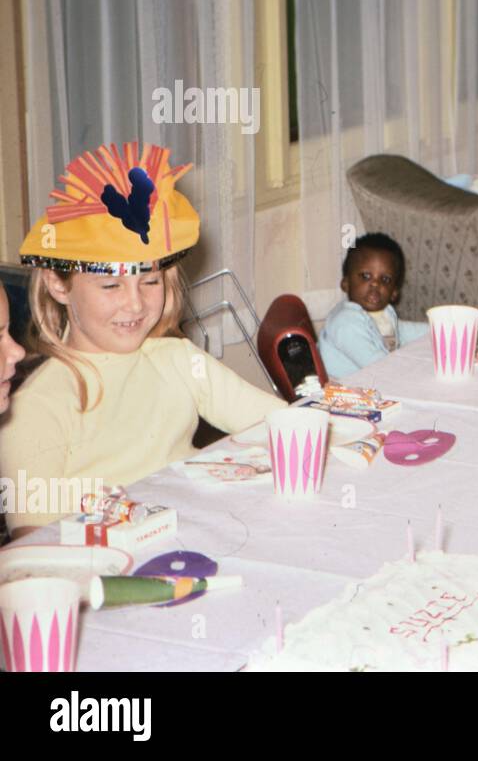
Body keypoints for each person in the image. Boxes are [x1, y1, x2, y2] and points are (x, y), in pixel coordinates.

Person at [0, 143, 285, 537]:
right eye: (111, 284)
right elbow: (34, 548)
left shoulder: (180, 361)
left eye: (149, 281)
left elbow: (281, 425)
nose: (135, 303)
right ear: (57, 283)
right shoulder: (37, 408)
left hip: (204, 536)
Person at [318, 232, 429, 378]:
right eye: (365, 276)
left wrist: (439, 329)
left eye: (385, 279)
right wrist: (415, 370)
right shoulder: (345, 323)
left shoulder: (383, 313)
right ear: (346, 283)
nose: (375, 284)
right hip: (343, 390)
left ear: (394, 292)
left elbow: (401, 331)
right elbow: (377, 364)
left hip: (373, 380)